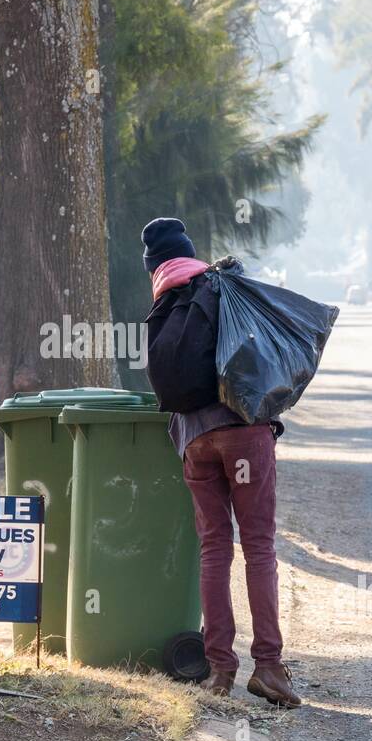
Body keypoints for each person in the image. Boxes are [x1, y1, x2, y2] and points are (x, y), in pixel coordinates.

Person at [140, 217, 300, 707]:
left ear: (154, 267)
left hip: (195, 440)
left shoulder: (162, 305)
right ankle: (269, 667)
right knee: (257, 547)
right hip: (243, 435)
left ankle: (219, 670)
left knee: (214, 548)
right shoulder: (222, 283)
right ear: (192, 252)